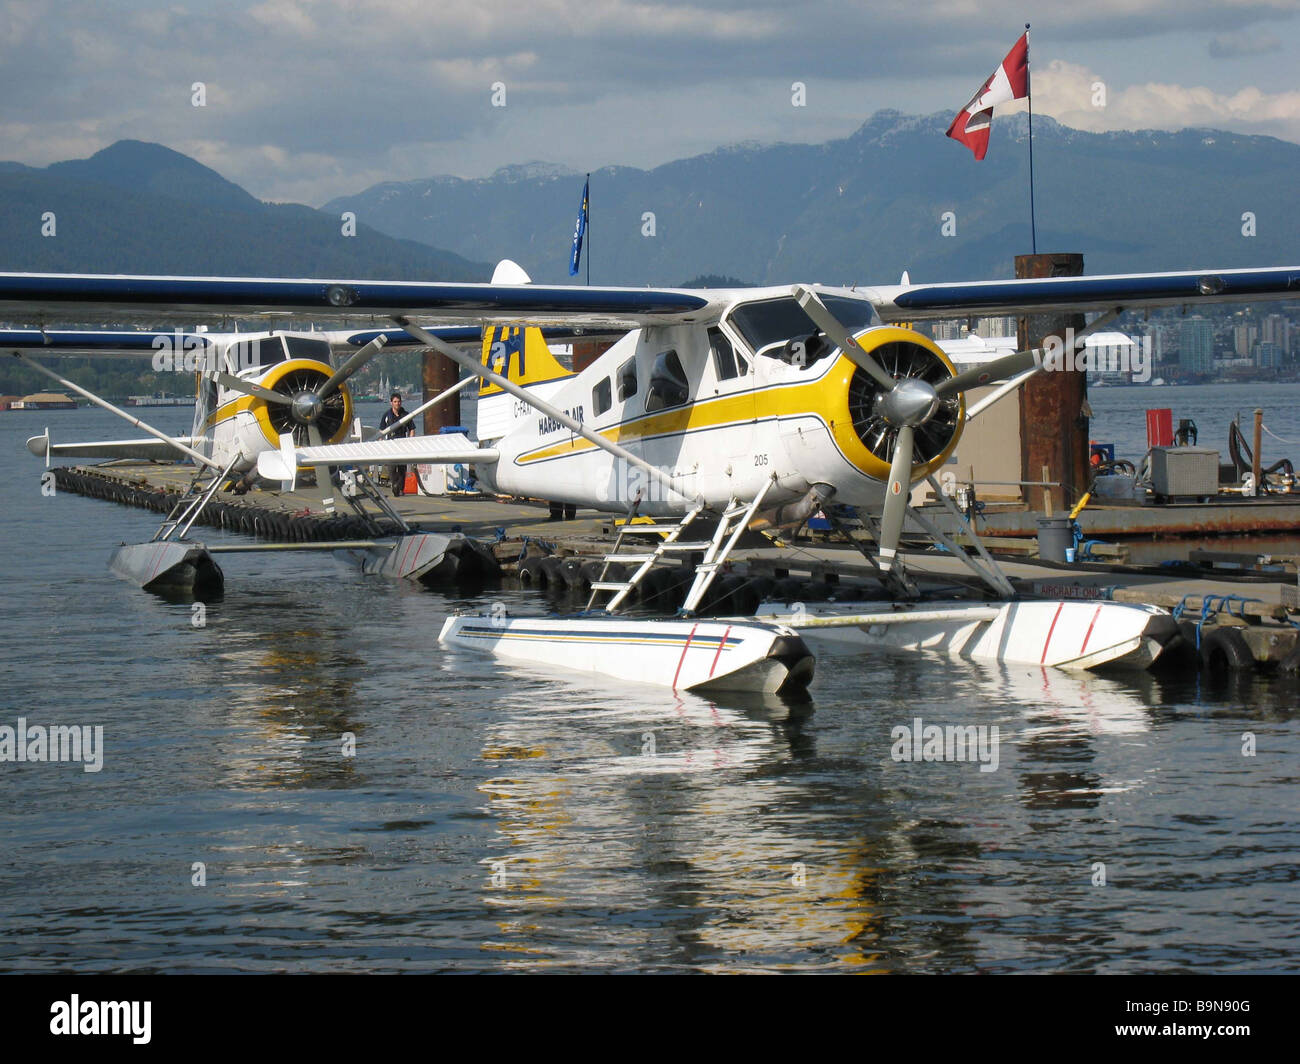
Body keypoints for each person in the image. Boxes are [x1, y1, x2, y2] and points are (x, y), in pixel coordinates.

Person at [379, 391, 414, 496]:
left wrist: (410, 441)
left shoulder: (406, 415)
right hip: (391, 444)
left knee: (402, 468)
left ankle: (401, 488)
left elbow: (411, 429)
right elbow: (381, 430)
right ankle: (395, 486)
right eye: (395, 401)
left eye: (399, 401)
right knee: (392, 468)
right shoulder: (386, 415)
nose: (397, 403)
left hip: (403, 443)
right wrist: (381, 443)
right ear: (391, 403)